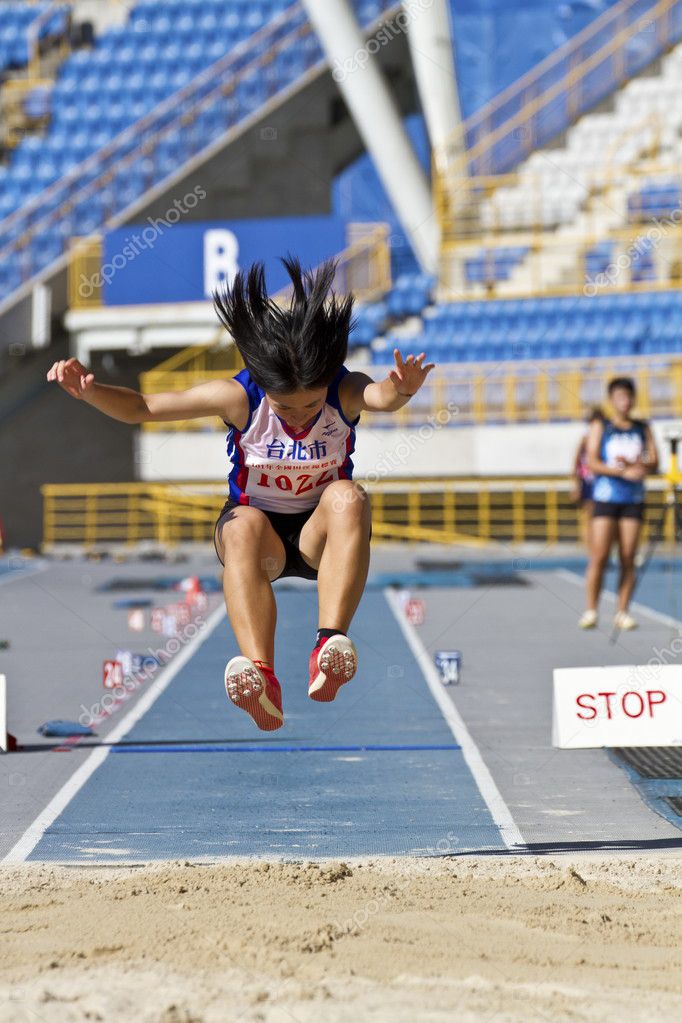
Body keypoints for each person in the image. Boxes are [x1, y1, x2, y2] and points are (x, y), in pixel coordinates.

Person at [47, 257, 435, 730]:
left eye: (311, 404)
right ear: (264, 387)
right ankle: (262, 676)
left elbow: (381, 398)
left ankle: (328, 646)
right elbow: (145, 407)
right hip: (257, 543)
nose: (299, 417)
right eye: (285, 407)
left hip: (321, 538)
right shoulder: (238, 398)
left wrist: (402, 390)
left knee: (348, 496)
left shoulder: (345, 390)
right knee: (242, 525)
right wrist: (91, 392)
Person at [579, 377, 658, 631]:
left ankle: (622, 611)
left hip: (633, 500)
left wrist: (638, 465)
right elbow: (592, 461)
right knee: (599, 555)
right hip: (606, 498)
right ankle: (591, 609)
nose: (625, 402)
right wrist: (621, 471)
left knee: (628, 557)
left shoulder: (642, 427)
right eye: (620, 397)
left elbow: (653, 459)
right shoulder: (601, 426)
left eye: (628, 396)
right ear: (612, 399)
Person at [570, 407, 603, 544]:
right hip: (588, 480)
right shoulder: (585, 438)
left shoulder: (605, 437)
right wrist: (576, 485)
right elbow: (576, 463)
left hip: (603, 480)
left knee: (602, 517)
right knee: (590, 516)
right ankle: (591, 548)